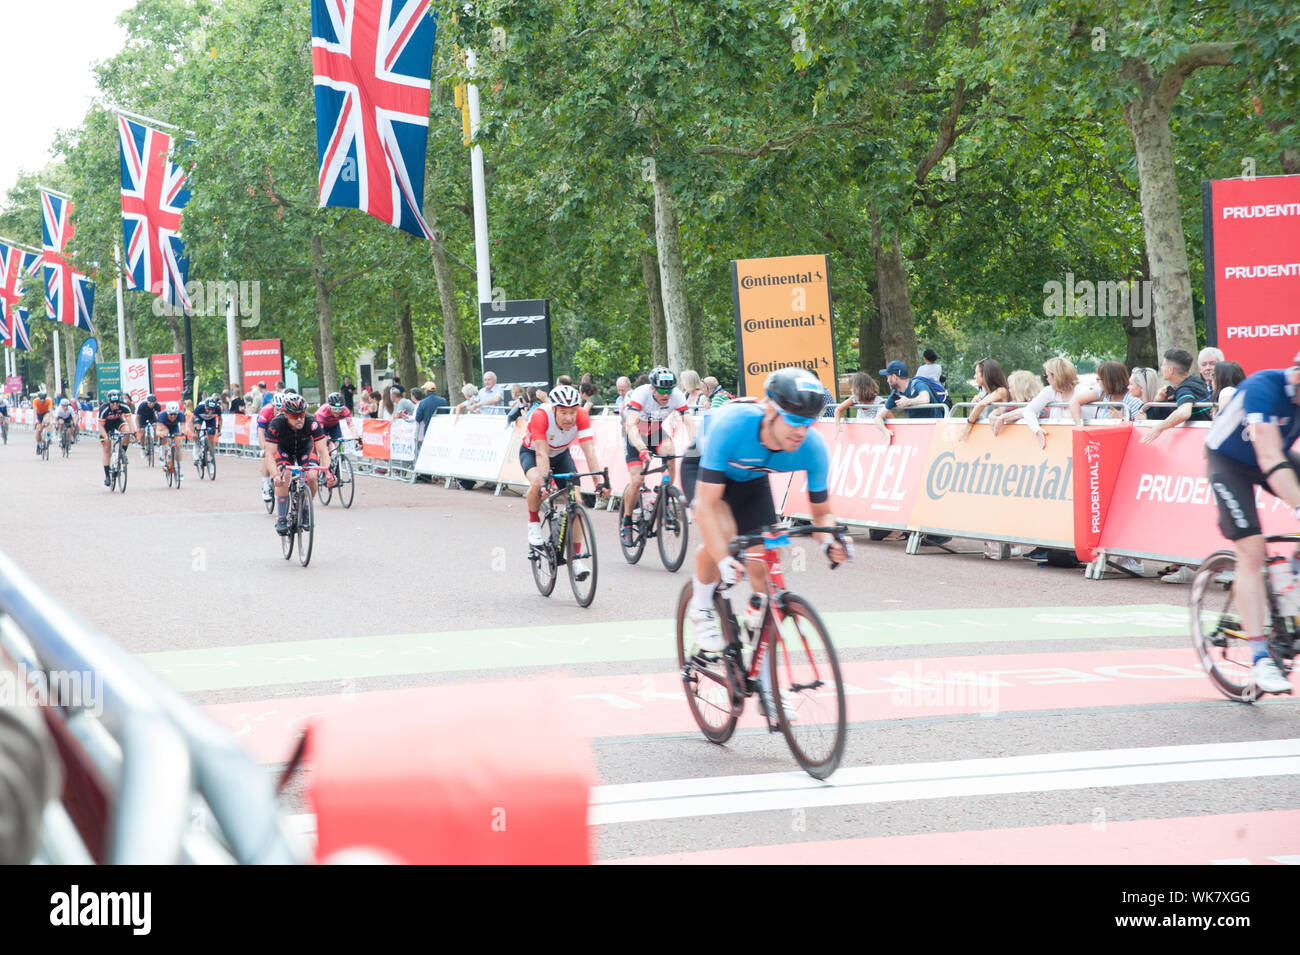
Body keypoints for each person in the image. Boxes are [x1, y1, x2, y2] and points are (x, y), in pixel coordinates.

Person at [681, 367, 851, 652]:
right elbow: (707, 508)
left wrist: (831, 540)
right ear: (770, 411)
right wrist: (724, 558)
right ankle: (701, 609)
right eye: (794, 420)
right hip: (704, 468)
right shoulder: (734, 425)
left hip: (751, 477)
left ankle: (763, 673)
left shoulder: (812, 447)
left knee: (763, 558)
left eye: (808, 423)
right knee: (723, 535)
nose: (801, 431)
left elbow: (822, 514)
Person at [1201, 354, 1300, 693]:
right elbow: (1269, 456)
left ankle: (1294, 577)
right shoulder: (1263, 387)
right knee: (1252, 550)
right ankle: (1259, 658)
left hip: (1272, 457)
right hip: (1228, 461)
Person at [520, 384, 610, 580]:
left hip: (561, 455)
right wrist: (545, 484)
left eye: (572, 412)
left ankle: (575, 558)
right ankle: (533, 523)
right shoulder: (540, 416)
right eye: (563, 413)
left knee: (577, 502)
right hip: (533, 452)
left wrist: (599, 483)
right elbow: (542, 454)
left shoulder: (582, 417)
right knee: (537, 483)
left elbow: (589, 452)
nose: (569, 418)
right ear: (554, 409)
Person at [621, 367, 689, 546]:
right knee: (636, 481)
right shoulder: (640, 394)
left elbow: (688, 422)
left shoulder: (677, 395)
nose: (666, 395)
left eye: (669, 390)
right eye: (661, 391)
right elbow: (631, 426)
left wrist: (698, 446)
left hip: (656, 432)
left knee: (670, 454)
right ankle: (627, 521)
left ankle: (663, 496)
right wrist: (642, 449)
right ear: (652, 388)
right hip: (634, 433)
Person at [265, 394, 331, 536]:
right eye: (295, 416)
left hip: (305, 450)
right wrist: (275, 475)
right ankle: (282, 517)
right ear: (286, 415)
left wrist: (328, 473)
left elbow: (323, 450)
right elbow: (269, 454)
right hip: (284, 451)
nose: (300, 419)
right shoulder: (277, 424)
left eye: (302, 414)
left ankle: (306, 507)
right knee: (284, 475)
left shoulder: (311, 422)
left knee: (312, 476)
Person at [989, 357, 1082, 450]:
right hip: (1058, 442)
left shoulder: (1083, 391)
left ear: (1056, 376)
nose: (1046, 379)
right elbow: (1029, 410)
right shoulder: (1049, 391)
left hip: (1079, 441)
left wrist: (1003, 416)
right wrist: (1037, 430)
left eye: (1046, 376)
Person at [1139, 348, 1213, 443]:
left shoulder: (1185, 389)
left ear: (1171, 370)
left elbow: (1184, 413)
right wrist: (1159, 400)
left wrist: (1158, 429)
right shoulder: (1196, 381)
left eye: (1163, 365)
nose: (1161, 368)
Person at [874, 361, 948, 444]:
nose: (887, 380)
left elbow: (925, 398)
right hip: (918, 431)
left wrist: (908, 401)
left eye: (888, 377)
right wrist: (885, 431)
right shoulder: (895, 393)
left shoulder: (917, 384)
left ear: (894, 377)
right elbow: (878, 417)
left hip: (936, 429)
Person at [957, 359, 1010, 441]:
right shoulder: (982, 393)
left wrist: (967, 426)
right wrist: (973, 404)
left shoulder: (1001, 391)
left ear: (985, 375)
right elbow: (973, 415)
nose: (974, 376)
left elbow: (982, 404)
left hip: (999, 436)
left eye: (976, 373)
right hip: (984, 436)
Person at [96, 391, 134, 485]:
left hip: (118, 422)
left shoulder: (124, 406)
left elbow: (129, 421)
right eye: (113, 403)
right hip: (106, 426)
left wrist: (133, 433)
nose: (116, 404)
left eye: (117, 402)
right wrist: (106, 437)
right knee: (107, 448)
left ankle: (122, 454)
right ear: (109, 401)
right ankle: (107, 476)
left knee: (127, 432)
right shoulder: (104, 409)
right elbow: (100, 426)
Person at [256, 392, 287, 501]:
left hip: (281, 432)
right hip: (267, 431)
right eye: (277, 409)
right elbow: (261, 431)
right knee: (267, 453)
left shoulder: (288, 413)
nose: (280, 412)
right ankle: (265, 485)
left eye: (282, 410)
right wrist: (263, 447)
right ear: (273, 406)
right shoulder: (266, 411)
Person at [154, 400, 186, 474]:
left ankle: (179, 468)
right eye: (171, 414)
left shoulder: (181, 415)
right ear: (167, 412)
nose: (173, 416)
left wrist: (183, 433)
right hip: (164, 427)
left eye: (175, 414)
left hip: (174, 429)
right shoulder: (162, 415)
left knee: (178, 445)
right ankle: (162, 454)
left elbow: (183, 427)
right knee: (165, 432)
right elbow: (157, 430)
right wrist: (161, 434)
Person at [191, 396, 222, 466]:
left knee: (211, 437)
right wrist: (193, 432)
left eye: (212, 410)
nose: (210, 412)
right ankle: (196, 455)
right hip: (200, 418)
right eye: (208, 409)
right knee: (197, 432)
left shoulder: (218, 408)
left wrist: (219, 429)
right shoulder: (200, 407)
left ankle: (211, 457)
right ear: (205, 406)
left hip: (211, 420)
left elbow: (220, 419)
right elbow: (191, 420)